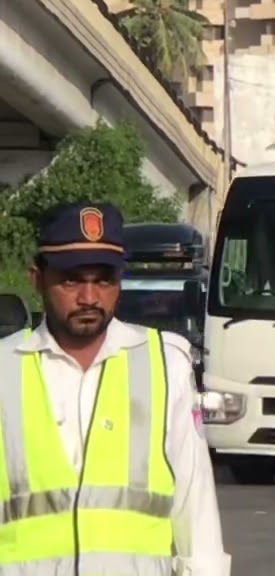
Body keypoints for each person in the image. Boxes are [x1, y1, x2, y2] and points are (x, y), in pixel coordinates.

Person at [0, 202, 230, 574]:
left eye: (104, 279)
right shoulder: (4, 368)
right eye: (71, 279)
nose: (89, 298)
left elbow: (195, 502)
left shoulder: (165, 364)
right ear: (37, 279)